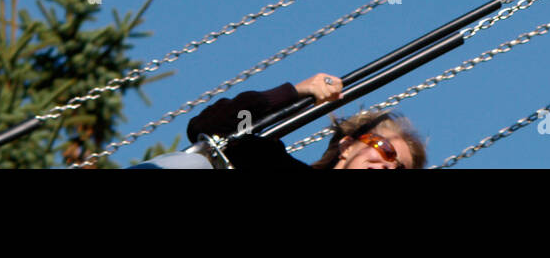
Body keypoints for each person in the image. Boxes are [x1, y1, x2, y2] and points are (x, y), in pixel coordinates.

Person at [133, 73, 426, 170]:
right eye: (384, 148)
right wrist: (297, 92)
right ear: (347, 145)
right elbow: (212, 127)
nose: (389, 166)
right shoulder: (275, 164)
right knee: (193, 164)